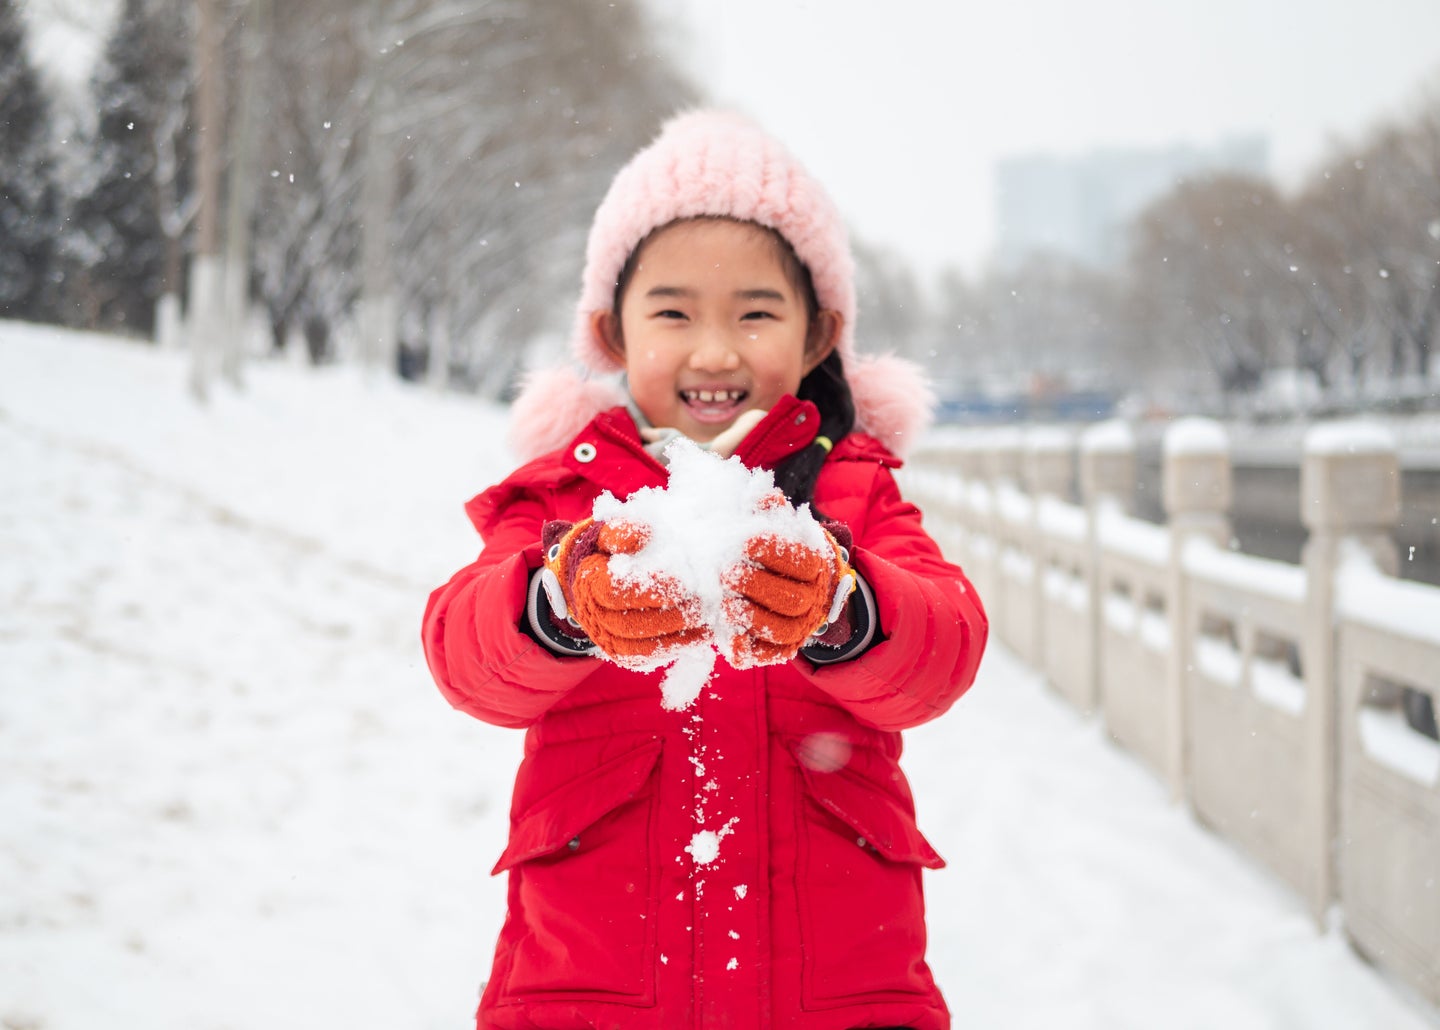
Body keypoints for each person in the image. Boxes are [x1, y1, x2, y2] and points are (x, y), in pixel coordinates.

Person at [422, 110, 988, 1030]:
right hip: (593, 995)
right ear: (612, 334)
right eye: (673, 312)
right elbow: (463, 655)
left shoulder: (854, 492)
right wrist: (558, 603)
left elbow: (944, 652)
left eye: (756, 314)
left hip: (836, 999)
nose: (715, 351)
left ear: (816, 337)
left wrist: (846, 609)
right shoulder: (569, 501)